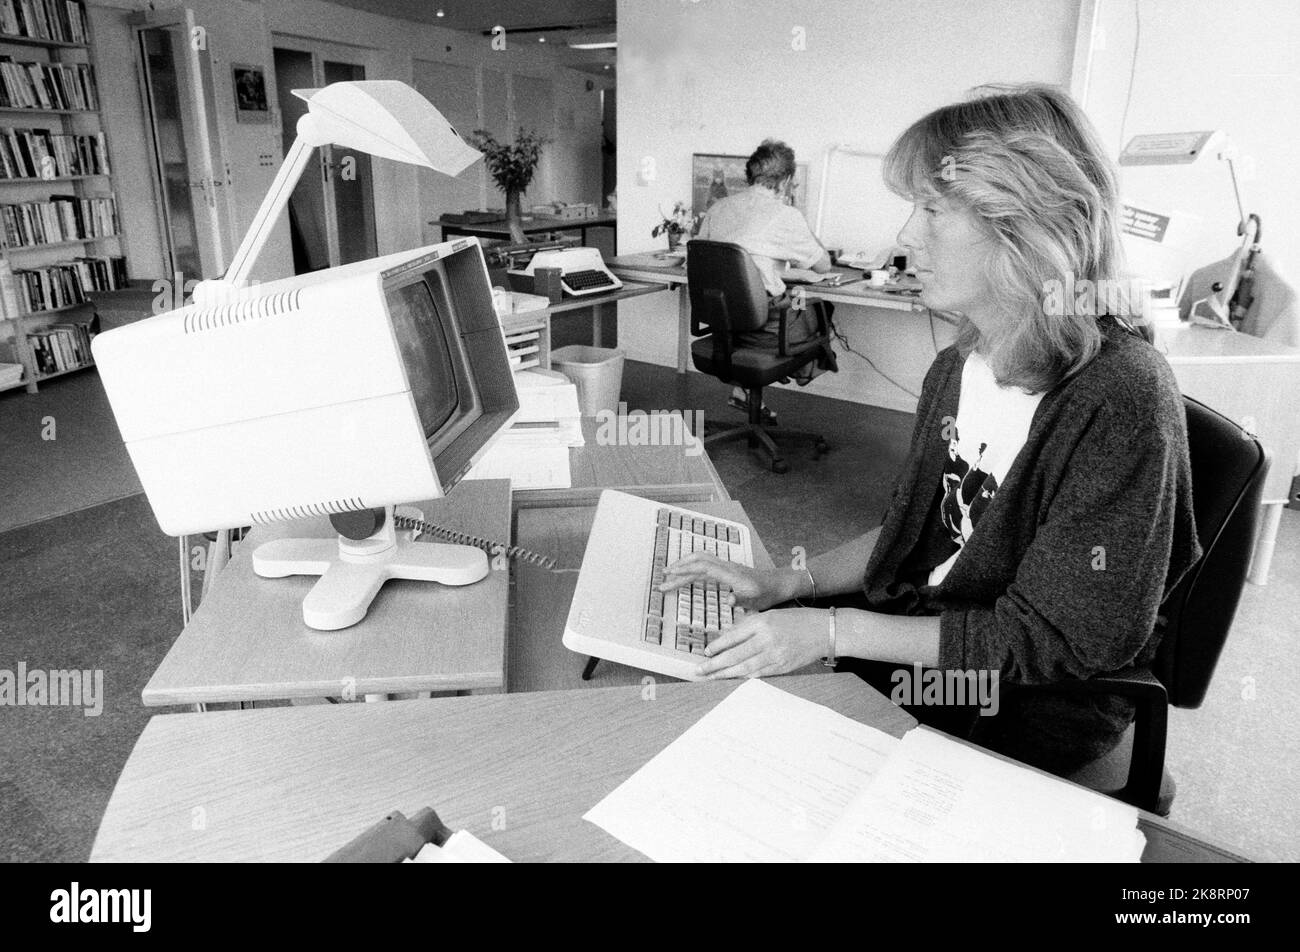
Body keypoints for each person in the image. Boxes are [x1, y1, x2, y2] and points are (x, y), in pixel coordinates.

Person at [661, 84, 1201, 778]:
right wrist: (786, 583)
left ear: (1028, 225)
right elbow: (908, 534)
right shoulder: (959, 365)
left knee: (746, 752)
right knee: (703, 700)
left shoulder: (1120, 397)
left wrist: (830, 630)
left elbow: (1050, 642)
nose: (907, 236)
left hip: (1021, 698)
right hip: (925, 633)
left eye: (933, 210)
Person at [695, 140, 836, 420]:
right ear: (785, 181)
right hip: (764, 332)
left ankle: (744, 391)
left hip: (724, 327)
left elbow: (726, 265)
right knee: (820, 312)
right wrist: (800, 221)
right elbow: (823, 265)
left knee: (774, 305)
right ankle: (792, 371)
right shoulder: (786, 215)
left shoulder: (718, 208)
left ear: (750, 176)